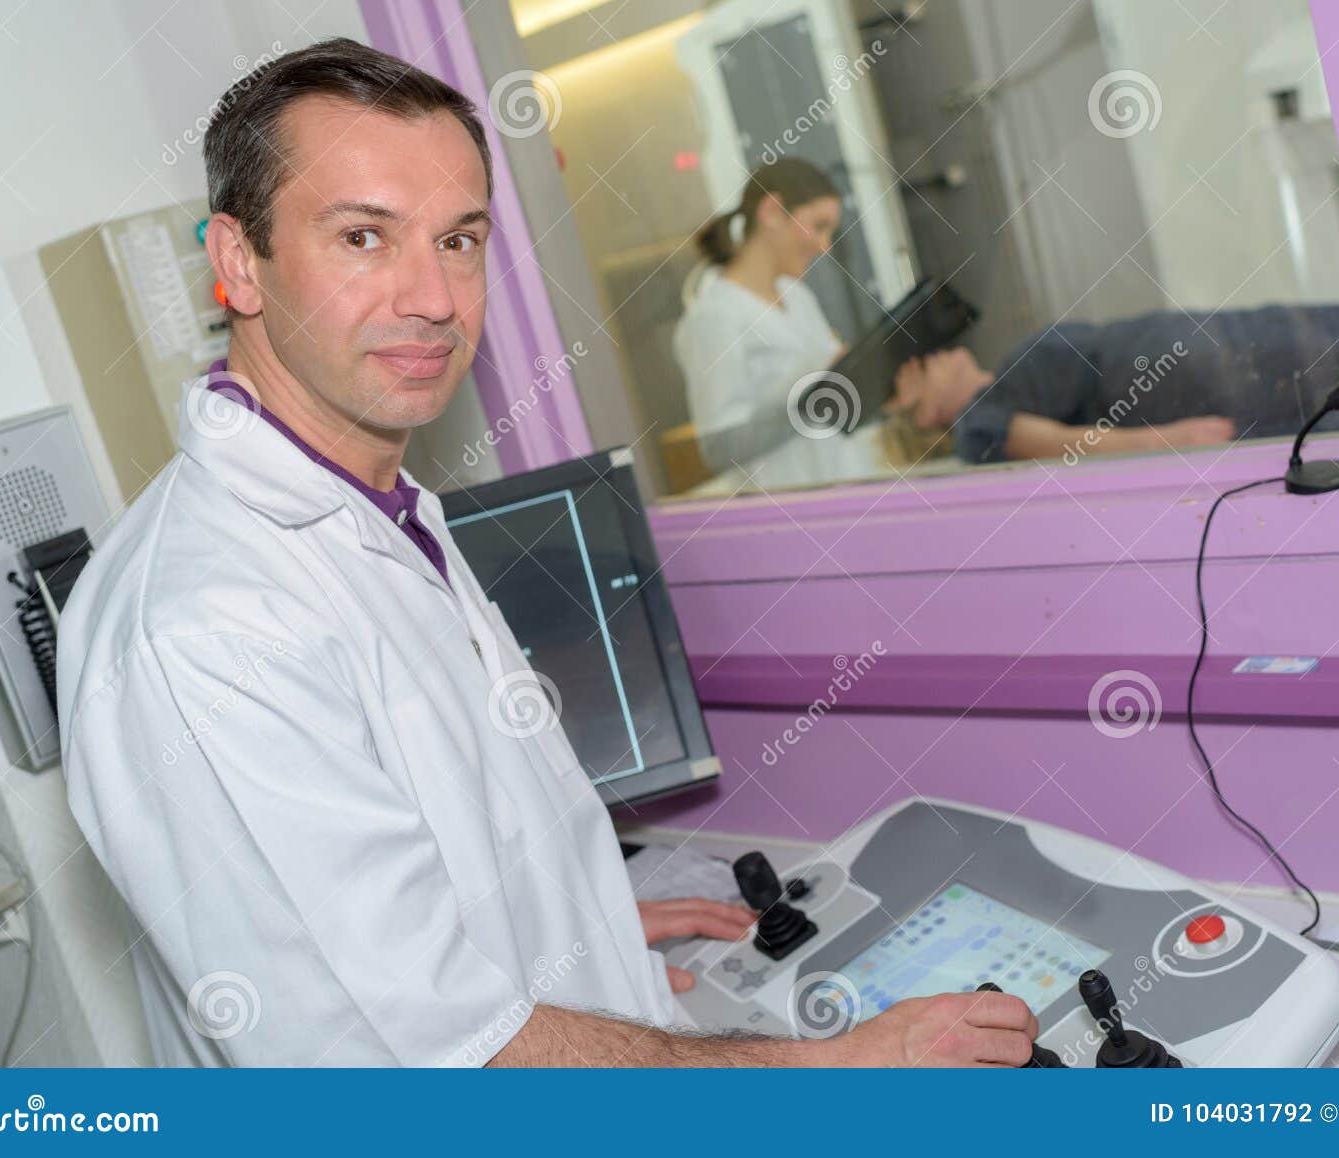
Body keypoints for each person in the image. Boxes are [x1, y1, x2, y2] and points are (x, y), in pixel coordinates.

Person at [57, 39, 1037, 1067]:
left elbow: (409, 875)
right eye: (362, 238)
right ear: (235, 263)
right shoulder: (204, 627)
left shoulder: (381, 509)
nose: (433, 297)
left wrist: (577, 917)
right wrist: (838, 1066)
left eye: (460, 240)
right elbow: (433, 1063)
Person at [672, 159, 991, 490]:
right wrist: (808, 399)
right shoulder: (714, 317)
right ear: (772, 211)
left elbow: (825, 419)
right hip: (788, 508)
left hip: (845, 488)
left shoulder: (798, 298)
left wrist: (876, 402)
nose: (825, 247)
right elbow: (719, 449)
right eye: (819, 225)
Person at [946, 306, 1339, 465]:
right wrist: (1164, 441)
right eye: (910, 377)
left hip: (1229, 342)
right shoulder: (979, 415)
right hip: (1222, 372)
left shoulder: (1008, 377)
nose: (926, 359)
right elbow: (996, 435)